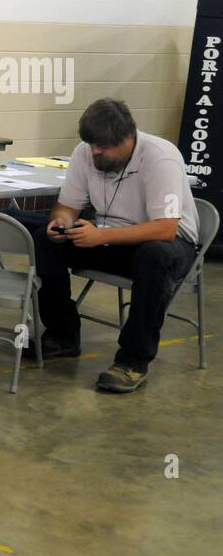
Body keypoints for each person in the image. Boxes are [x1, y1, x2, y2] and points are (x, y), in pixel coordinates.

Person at [35, 98, 199, 393]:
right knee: (45, 241)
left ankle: (132, 362)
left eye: (104, 146)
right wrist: (61, 223)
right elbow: (67, 206)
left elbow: (165, 228)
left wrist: (101, 236)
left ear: (129, 136)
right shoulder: (86, 152)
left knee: (154, 256)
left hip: (169, 244)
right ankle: (62, 335)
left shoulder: (161, 157)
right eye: (92, 145)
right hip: (111, 237)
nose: (96, 152)